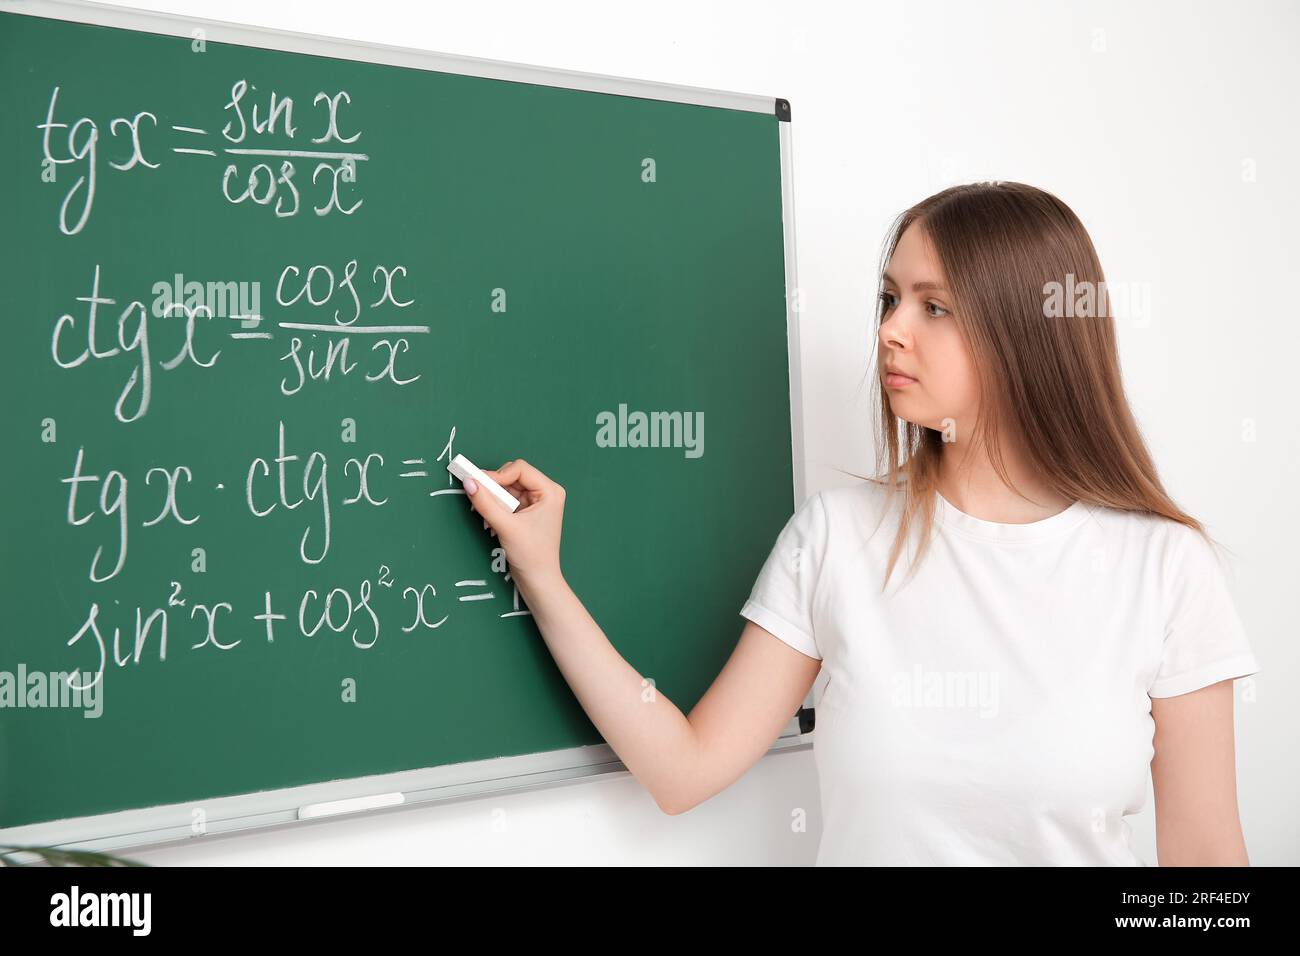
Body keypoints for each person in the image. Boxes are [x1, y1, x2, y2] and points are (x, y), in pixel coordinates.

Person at [460, 181, 1261, 866]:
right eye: (889, 298)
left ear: (1030, 332)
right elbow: (682, 770)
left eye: (934, 305)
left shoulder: (1162, 565)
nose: (890, 329)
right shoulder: (837, 539)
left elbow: (1206, 872)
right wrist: (542, 575)